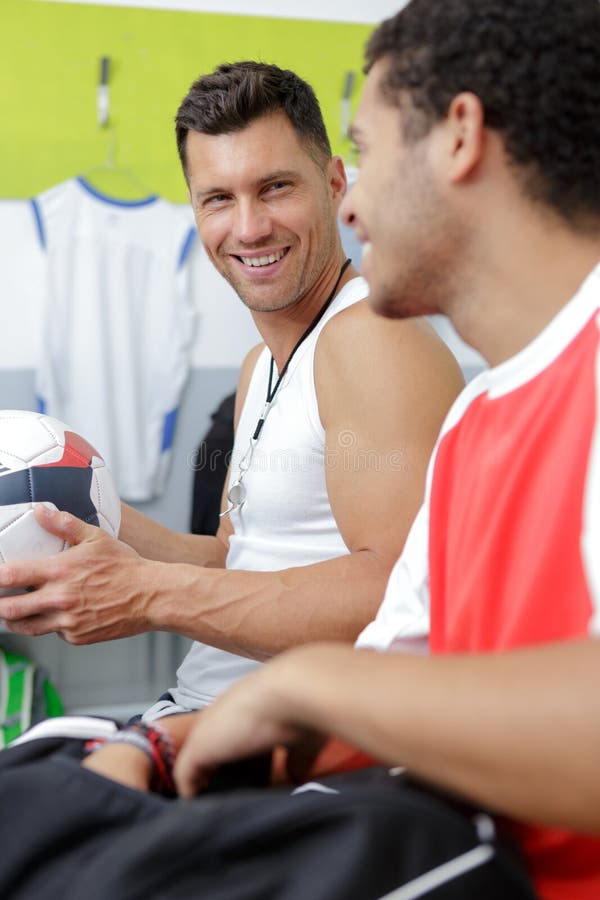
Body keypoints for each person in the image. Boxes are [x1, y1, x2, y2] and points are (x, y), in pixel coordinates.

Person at [166, 1, 600, 898]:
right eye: (219, 197)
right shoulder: (480, 416)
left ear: (459, 139)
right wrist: (152, 745)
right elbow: (398, 678)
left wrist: (307, 687)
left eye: (363, 152)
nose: (351, 198)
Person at [0, 62, 462, 716]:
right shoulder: (259, 366)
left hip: (285, 750)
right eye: (219, 198)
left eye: (275, 188)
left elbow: (401, 589)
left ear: (334, 185)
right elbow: (234, 560)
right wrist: (67, 498)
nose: (248, 229)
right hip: (196, 710)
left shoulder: (370, 339)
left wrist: (147, 594)